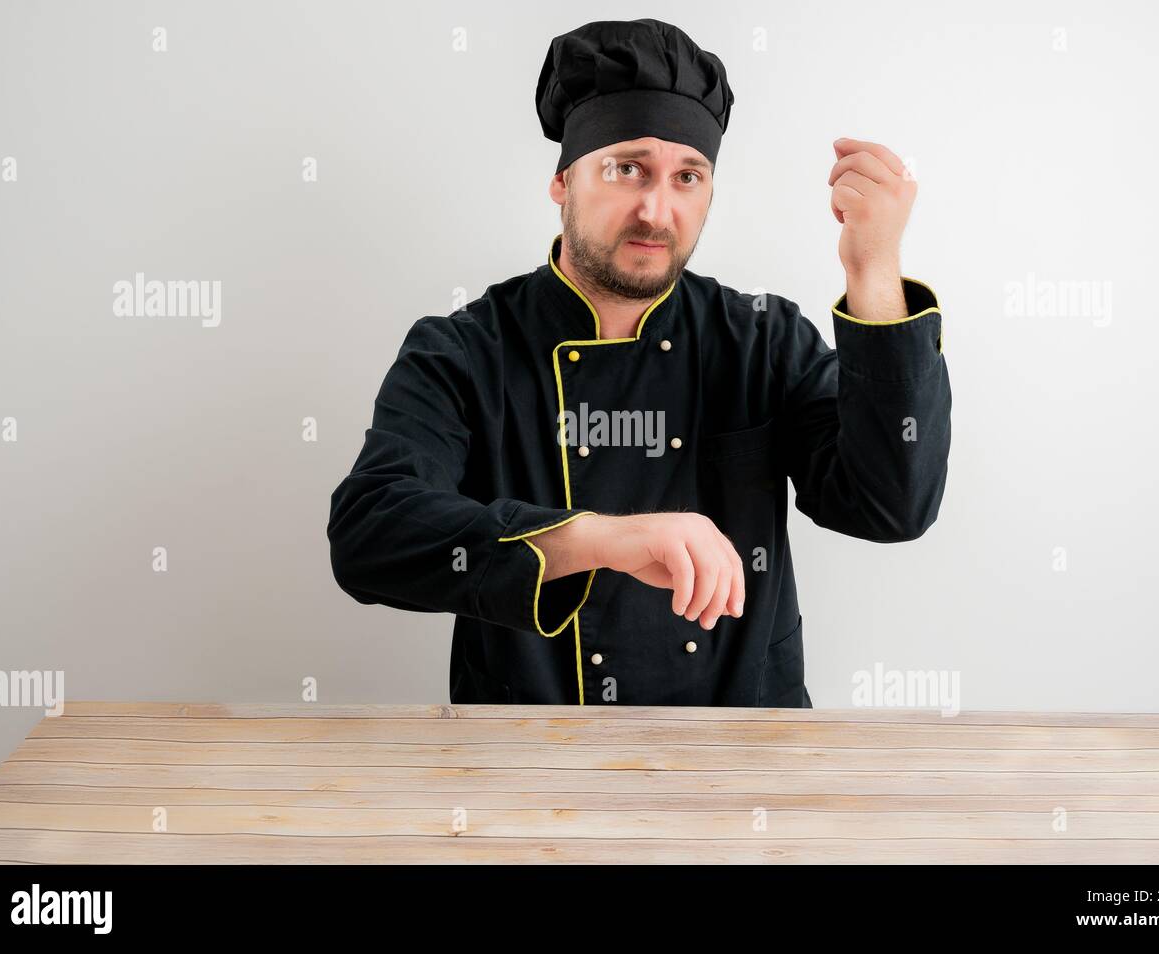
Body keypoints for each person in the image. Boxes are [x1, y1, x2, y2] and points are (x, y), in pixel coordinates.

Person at [327, 18, 952, 707]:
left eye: (688, 176)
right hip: (530, 764)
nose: (657, 211)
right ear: (564, 181)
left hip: (742, 759)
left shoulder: (760, 339)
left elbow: (891, 506)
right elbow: (370, 535)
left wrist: (874, 271)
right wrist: (598, 540)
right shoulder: (466, 350)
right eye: (628, 169)